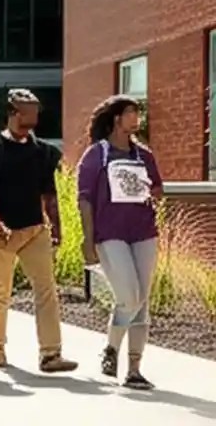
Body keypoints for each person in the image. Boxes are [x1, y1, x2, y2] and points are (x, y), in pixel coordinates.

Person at [0, 89, 77, 372]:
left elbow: (49, 194)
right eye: (28, 110)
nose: (35, 115)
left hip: (34, 230)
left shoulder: (43, 152)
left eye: (36, 110)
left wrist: (56, 227)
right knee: (0, 291)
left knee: (46, 291)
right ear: (13, 113)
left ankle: (51, 354)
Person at [77, 95, 163, 390]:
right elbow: (85, 199)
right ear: (116, 118)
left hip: (143, 232)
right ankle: (111, 348)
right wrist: (88, 239)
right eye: (131, 113)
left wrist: (148, 192)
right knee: (129, 295)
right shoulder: (96, 155)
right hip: (109, 233)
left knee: (142, 303)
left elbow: (158, 188)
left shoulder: (143, 155)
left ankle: (134, 370)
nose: (136, 118)